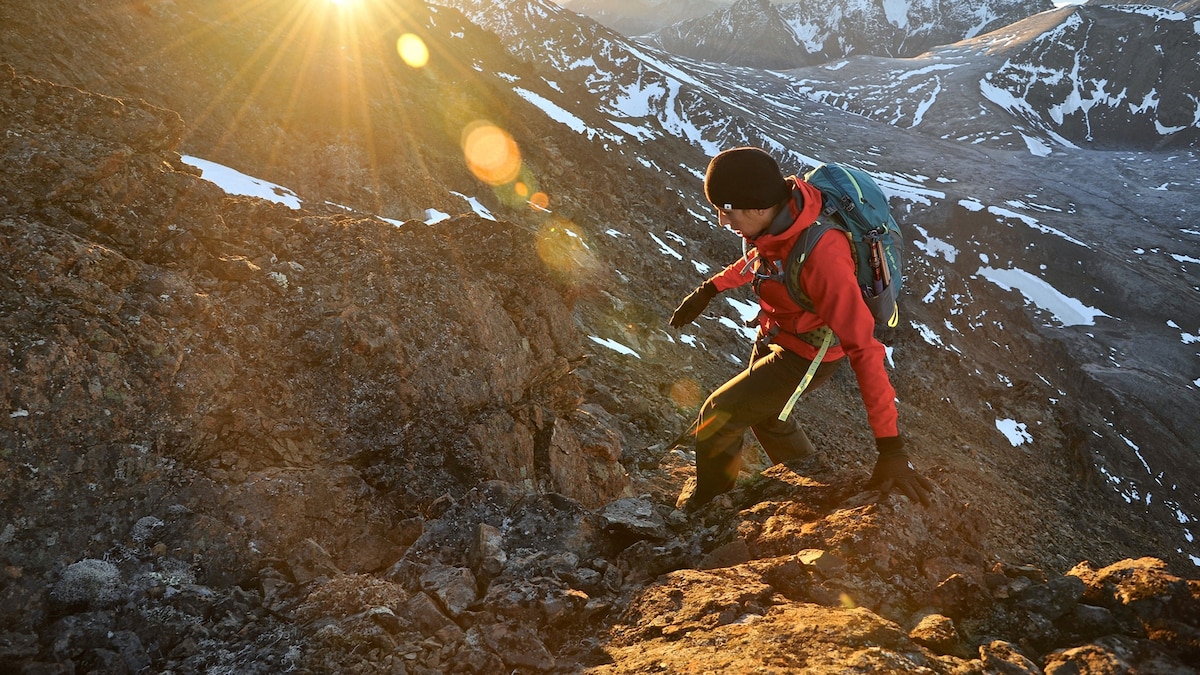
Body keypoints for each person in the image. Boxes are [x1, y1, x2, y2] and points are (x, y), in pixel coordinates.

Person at [669, 146, 933, 511]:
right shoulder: (785, 210)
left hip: (807, 351)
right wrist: (711, 288)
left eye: (726, 211)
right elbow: (767, 255)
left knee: (719, 413)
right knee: (766, 416)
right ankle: (811, 486)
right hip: (779, 331)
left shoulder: (825, 257)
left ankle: (708, 508)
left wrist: (891, 448)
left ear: (759, 209)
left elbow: (865, 349)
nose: (721, 221)